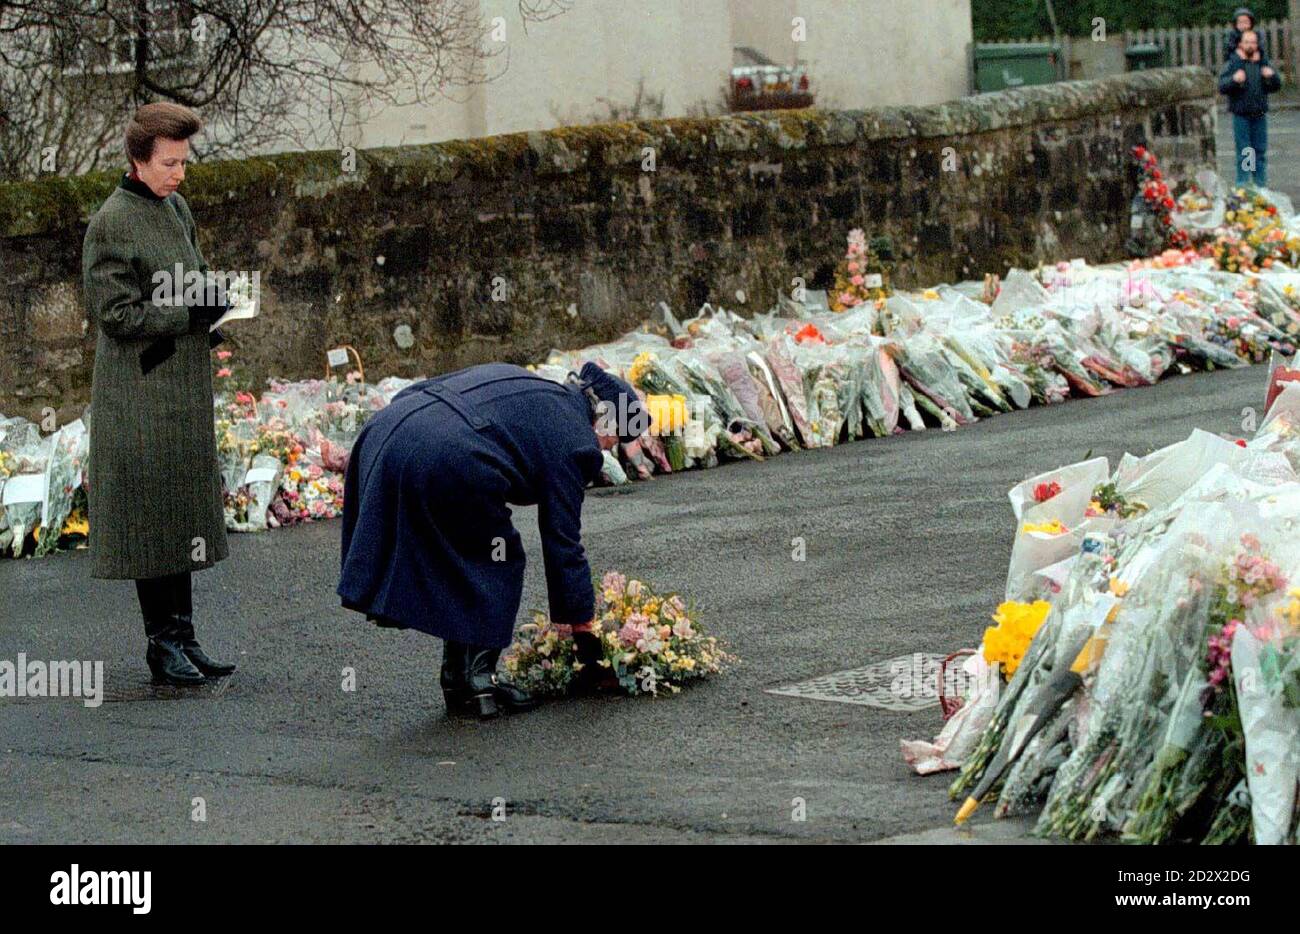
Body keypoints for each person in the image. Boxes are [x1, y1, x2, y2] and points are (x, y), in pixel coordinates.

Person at [337, 362, 647, 719]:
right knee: (498, 556)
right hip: (444, 450)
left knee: (469, 552)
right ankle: (478, 683)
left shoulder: (529, 385)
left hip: (386, 431)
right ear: (605, 419)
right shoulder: (576, 438)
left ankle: (458, 679)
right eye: (614, 438)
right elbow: (562, 538)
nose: (607, 450)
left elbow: (425, 388)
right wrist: (580, 625)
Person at [83, 103, 236, 687]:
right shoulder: (111, 223)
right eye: (169, 163)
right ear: (137, 160)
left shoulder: (176, 208)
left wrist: (216, 305)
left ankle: (185, 637)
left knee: (181, 510)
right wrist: (186, 314)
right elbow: (116, 313)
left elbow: (191, 277)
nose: (179, 174)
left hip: (182, 385)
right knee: (151, 517)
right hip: (139, 389)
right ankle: (161, 645)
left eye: (183, 162)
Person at [1219, 29, 1283, 189]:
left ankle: (1260, 185)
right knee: (1246, 152)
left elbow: (1276, 86)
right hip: (1241, 115)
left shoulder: (1263, 62)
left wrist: (1272, 76)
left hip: (1259, 113)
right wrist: (1234, 80)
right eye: (1247, 42)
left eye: (1253, 42)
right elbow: (1222, 86)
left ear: (1257, 44)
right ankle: (1244, 185)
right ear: (1240, 44)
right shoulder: (1233, 63)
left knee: (1259, 151)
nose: (1250, 45)